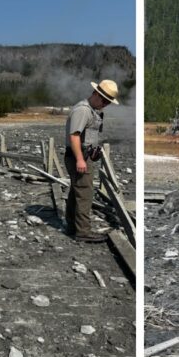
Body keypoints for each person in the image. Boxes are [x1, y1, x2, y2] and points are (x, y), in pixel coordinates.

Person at [64, 79, 119, 243]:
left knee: (77, 192)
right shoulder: (83, 110)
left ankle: (73, 226)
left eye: (108, 102)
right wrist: (80, 159)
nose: (105, 104)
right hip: (78, 157)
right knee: (85, 194)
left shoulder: (92, 110)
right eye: (104, 100)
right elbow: (74, 136)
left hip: (83, 155)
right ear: (96, 94)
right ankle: (83, 232)